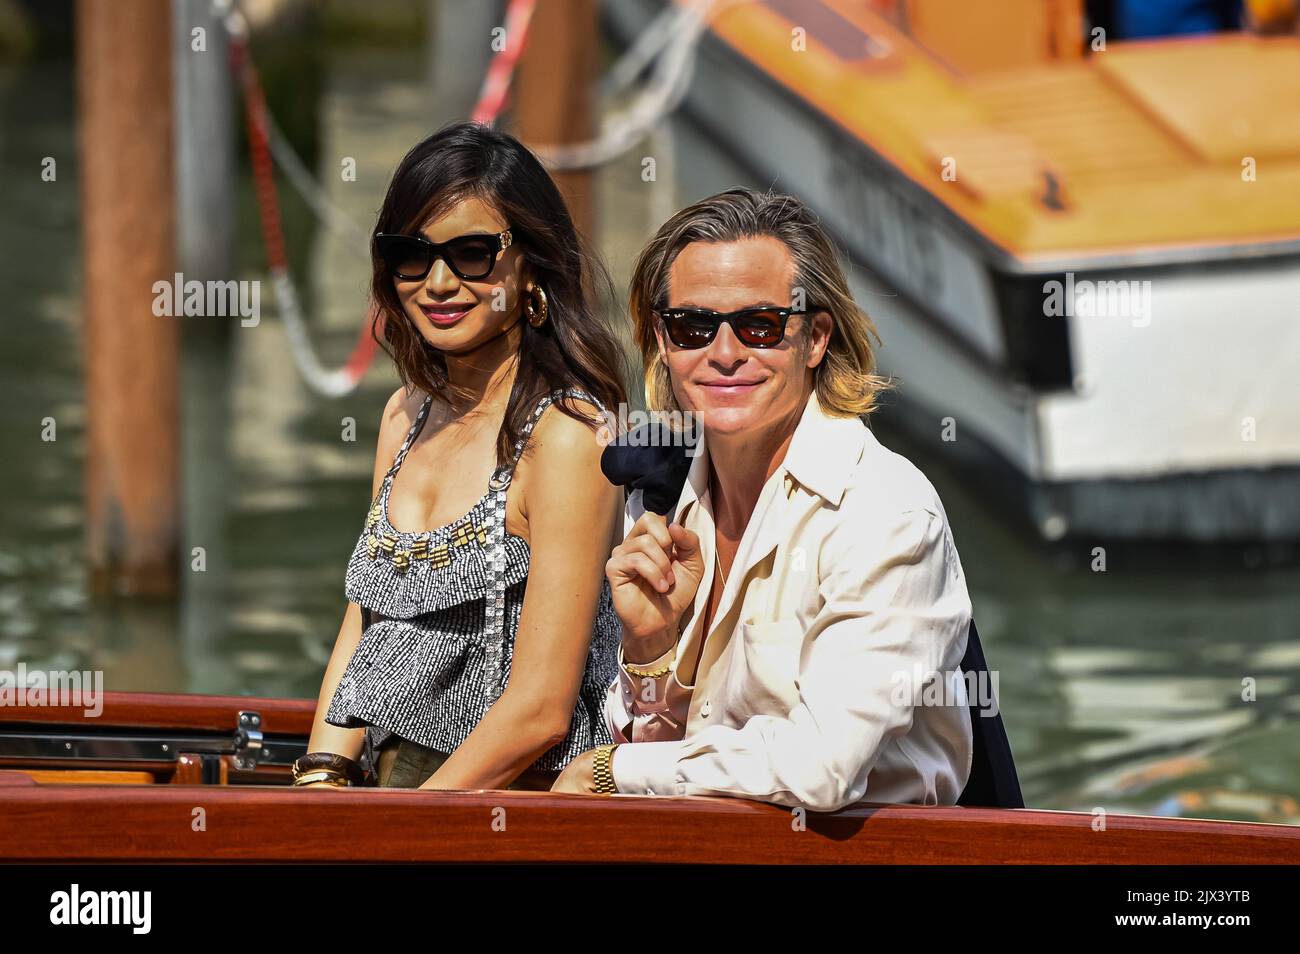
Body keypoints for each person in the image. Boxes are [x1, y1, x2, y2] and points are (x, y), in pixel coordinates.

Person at [552, 188, 974, 812]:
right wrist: (649, 650)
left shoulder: (885, 513)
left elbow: (820, 768)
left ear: (815, 339)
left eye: (760, 326)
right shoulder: (662, 501)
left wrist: (619, 770)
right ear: (661, 345)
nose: (724, 354)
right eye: (693, 326)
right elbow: (674, 753)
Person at [296, 121, 629, 790]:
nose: (439, 282)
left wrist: (402, 831)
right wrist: (322, 778)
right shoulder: (404, 413)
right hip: (397, 790)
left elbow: (539, 710)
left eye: (472, 253)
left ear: (529, 263)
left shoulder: (567, 435)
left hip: (508, 803)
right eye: (410, 255)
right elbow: (366, 615)